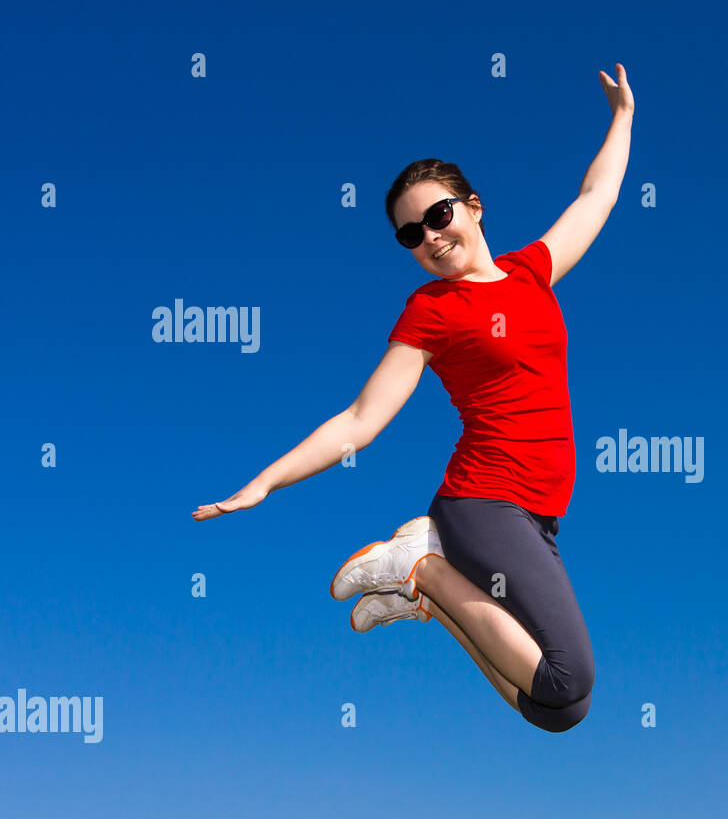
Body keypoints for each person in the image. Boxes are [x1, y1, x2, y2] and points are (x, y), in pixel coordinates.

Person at [193, 64, 635, 733]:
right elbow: (362, 419)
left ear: (474, 206)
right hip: (486, 502)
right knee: (568, 673)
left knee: (559, 708)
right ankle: (422, 568)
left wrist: (623, 117)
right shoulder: (432, 310)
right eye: (410, 233)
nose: (429, 236)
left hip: (541, 517)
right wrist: (264, 483)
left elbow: (595, 197)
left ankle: (420, 582)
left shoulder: (530, 273)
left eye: (438, 215)